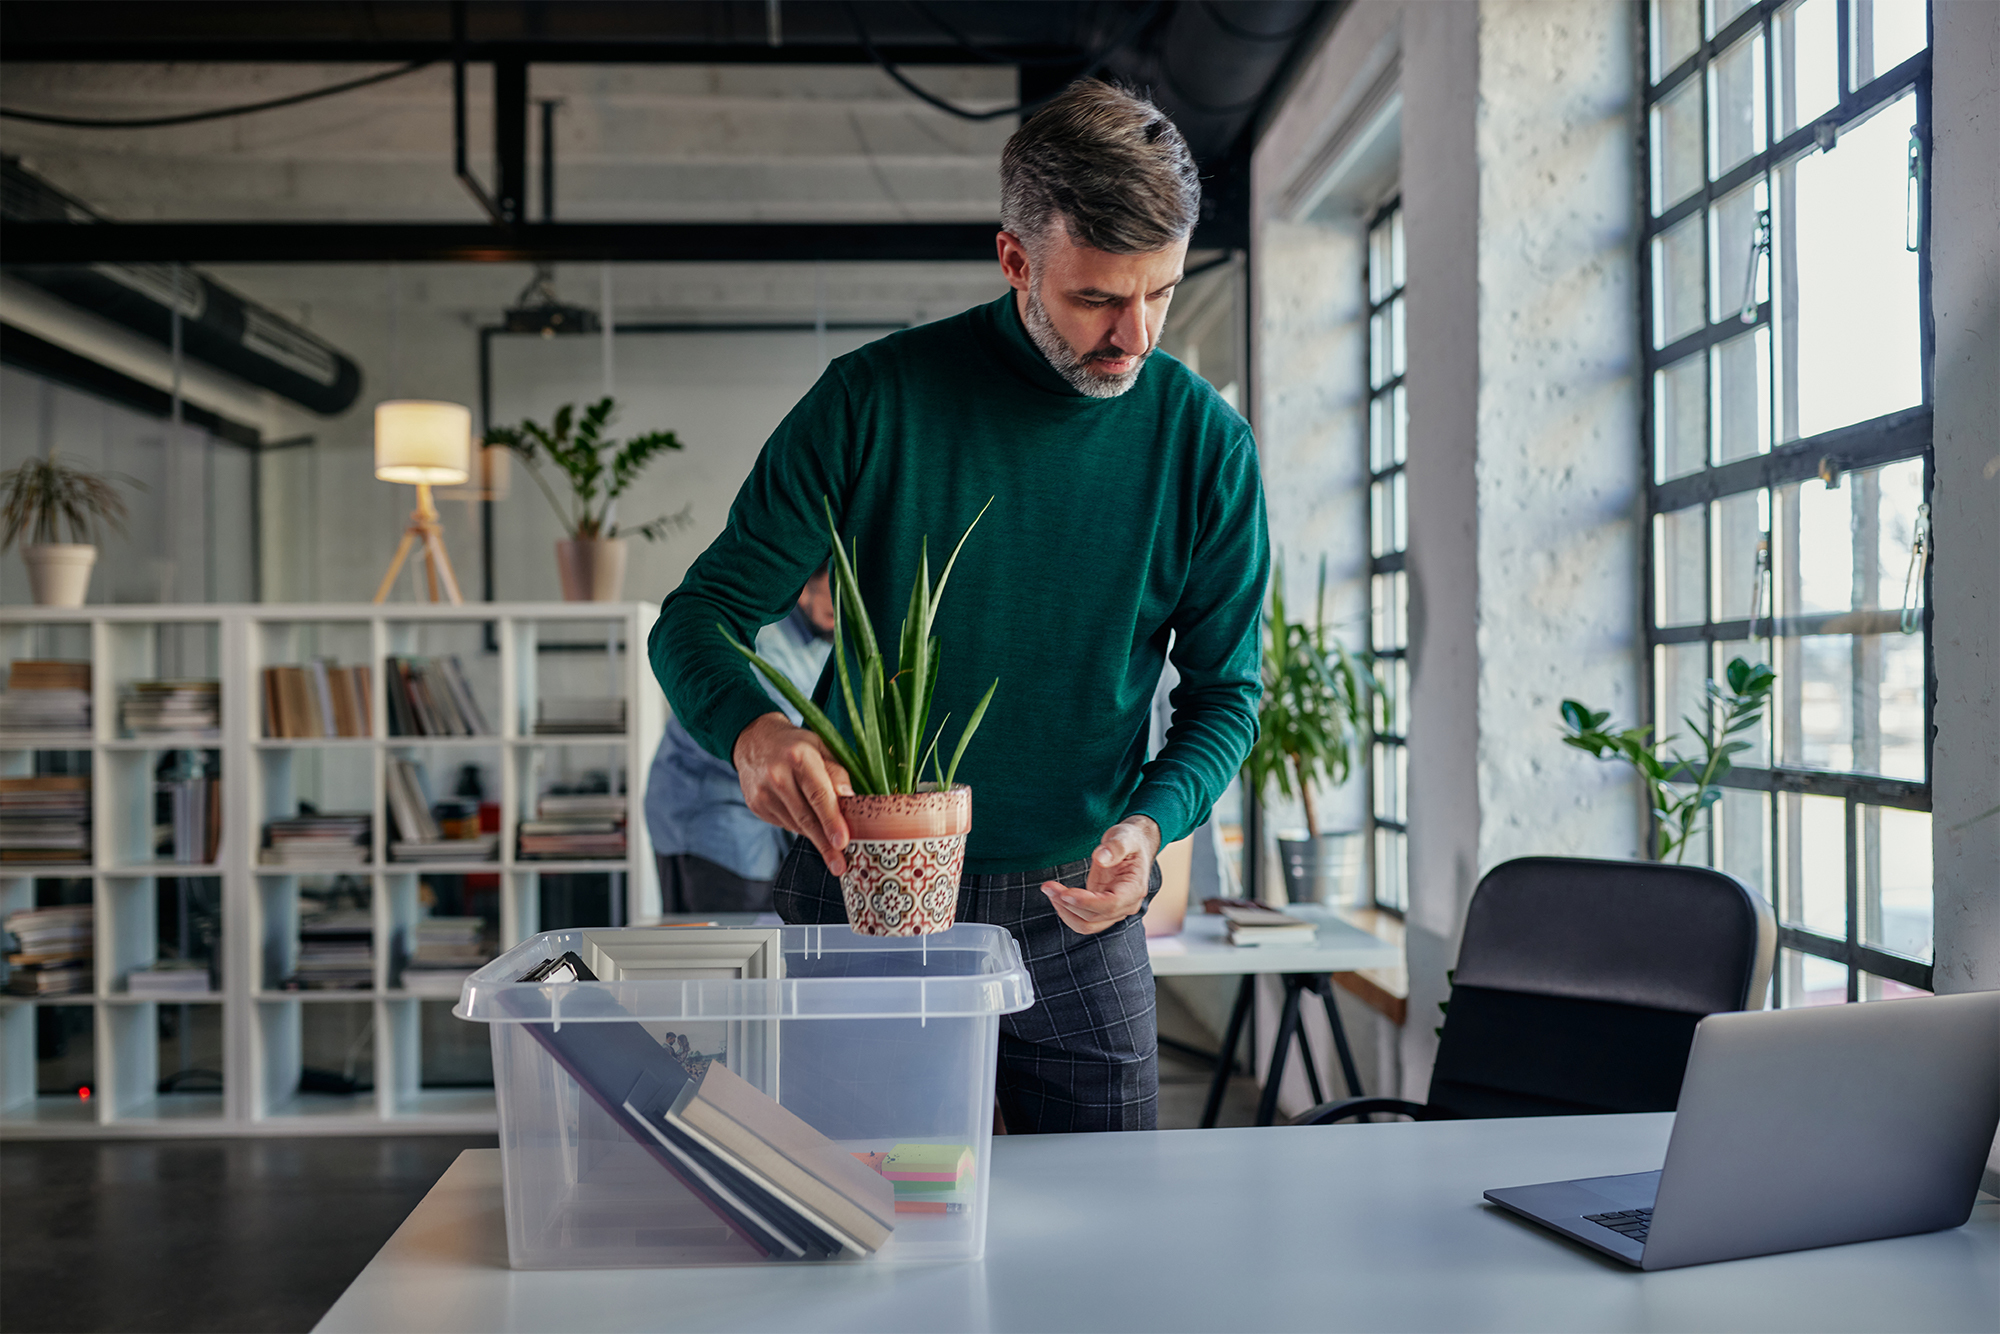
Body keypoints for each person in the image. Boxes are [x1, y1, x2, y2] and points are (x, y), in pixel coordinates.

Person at [650, 80, 1268, 1132]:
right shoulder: (870, 401)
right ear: (1015, 260)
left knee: (1103, 1248)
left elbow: (1225, 693)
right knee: (846, 1223)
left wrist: (1152, 825)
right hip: (860, 892)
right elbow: (695, 617)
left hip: (1080, 911)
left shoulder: (1205, 444)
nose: (1134, 334)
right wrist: (750, 731)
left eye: (1158, 292)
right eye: (1095, 299)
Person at [645, 568, 835, 913]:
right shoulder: (768, 648)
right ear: (805, 587)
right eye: (834, 590)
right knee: (720, 952)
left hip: (757, 823)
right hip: (711, 820)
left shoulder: (821, 640)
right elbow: (791, 752)